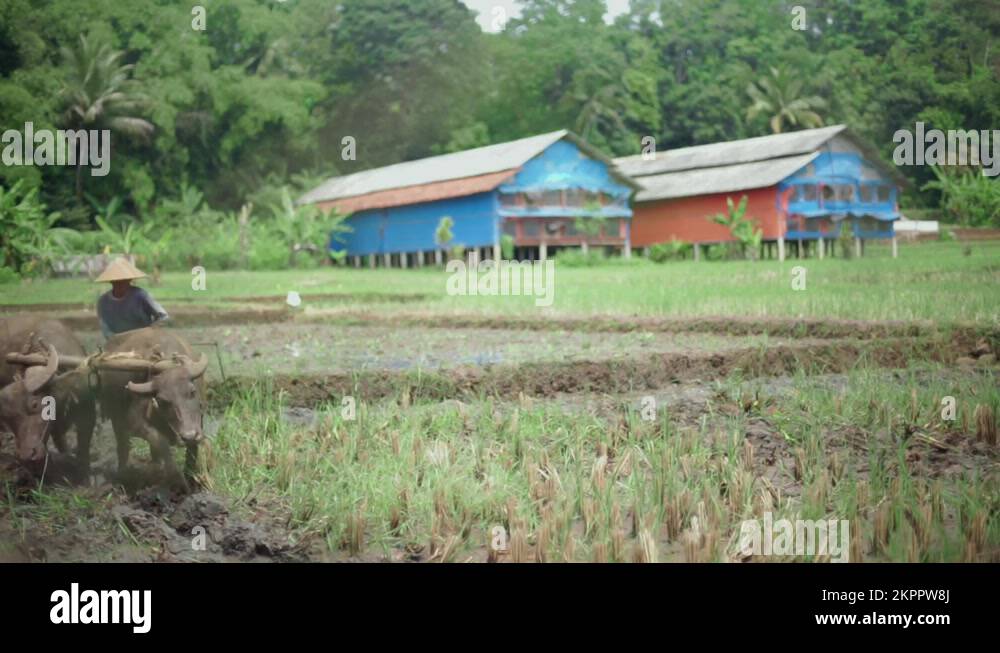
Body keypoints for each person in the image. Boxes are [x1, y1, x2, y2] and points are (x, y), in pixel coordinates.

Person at [95, 258, 169, 339]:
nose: (120, 284)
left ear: (129, 280)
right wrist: (114, 340)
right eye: (117, 281)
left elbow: (163, 316)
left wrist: (151, 329)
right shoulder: (103, 302)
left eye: (123, 281)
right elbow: (105, 329)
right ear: (111, 281)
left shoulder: (141, 296)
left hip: (144, 340)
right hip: (118, 343)